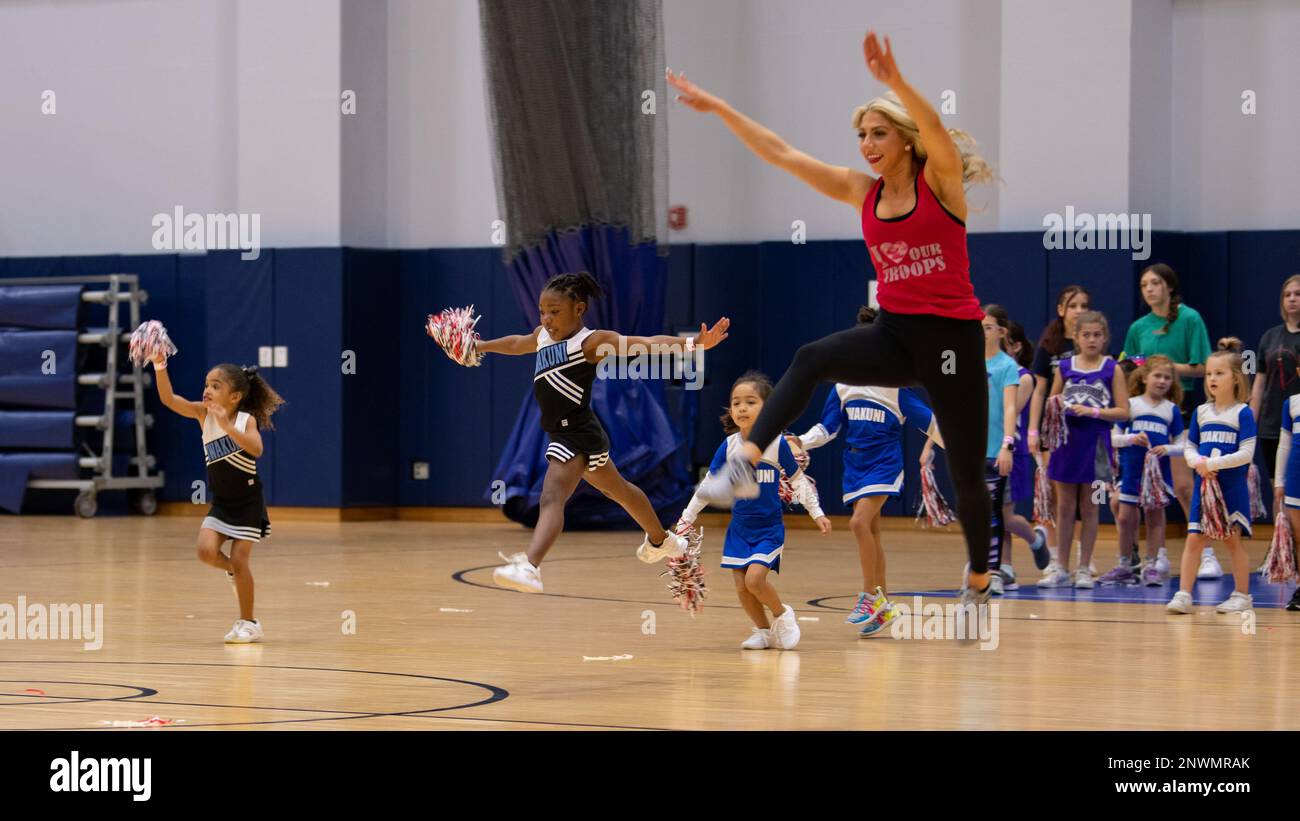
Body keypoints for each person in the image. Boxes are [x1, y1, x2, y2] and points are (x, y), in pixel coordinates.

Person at [670, 31, 998, 605]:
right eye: (861, 136)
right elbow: (781, 153)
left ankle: (978, 577)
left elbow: (939, 132)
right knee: (811, 358)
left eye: (878, 133)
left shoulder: (940, 185)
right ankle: (745, 460)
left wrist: (894, 80)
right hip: (895, 335)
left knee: (967, 469)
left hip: (952, 341)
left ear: (904, 140)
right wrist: (720, 107)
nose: (867, 144)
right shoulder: (859, 191)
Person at [467, 271, 731, 593]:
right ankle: (662, 540)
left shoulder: (591, 342)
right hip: (578, 434)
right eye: (542, 311)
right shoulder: (542, 337)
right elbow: (516, 344)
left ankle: (531, 566)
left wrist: (694, 344)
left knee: (552, 497)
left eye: (555, 312)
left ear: (578, 309)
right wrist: (478, 346)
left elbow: (645, 344)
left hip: (574, 435)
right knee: (618, 490)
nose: (547, 319)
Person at [797, 305, 941, 636]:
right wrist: (801, 442)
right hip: (855, 465)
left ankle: (868, 597)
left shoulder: (896, 388)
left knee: (859, 523)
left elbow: (930, 424)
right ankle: (885, 604)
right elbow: (829, 428)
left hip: (884, 464)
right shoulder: (842, 385)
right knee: (872, 532)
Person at [678, 372, 830, 650]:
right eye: (736, 403)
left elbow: (798, 481)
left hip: (769, 529)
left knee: (755, 580)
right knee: (741, 587)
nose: (741, 408)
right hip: (739, 529)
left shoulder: (776, 443)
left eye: (750, 402)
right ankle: (762, 631)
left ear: (768, 409)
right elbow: (708, 486)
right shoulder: (729, 446)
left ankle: (783, 615)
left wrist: (817, 512)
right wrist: (686, 519)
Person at [151, 351, 284, 643]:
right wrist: (159, 365)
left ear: (234, 397)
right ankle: (233, 572)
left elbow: (256, 449)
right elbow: (169, 400)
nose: (207, 390)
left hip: (248, 501)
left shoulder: (245, 420)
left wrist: (226, 427)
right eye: (206, 384)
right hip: (222, 503)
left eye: (215, 386)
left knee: (240, 557)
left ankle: (249, 622)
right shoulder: (202, 413)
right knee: (205, 552)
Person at [1039, 311, 1129, 588]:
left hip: (1097, 443)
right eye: (1086, 335)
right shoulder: (1064, 367)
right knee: (1064, 507)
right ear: (1076, 338)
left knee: (1090, 508)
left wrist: (1092, 410)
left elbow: (1123, 411)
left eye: (1097, 335)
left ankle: (1083, 569)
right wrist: (1057, 408)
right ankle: (1061, 568)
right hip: (1067, 442)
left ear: (1105, 338)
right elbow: (1050, 402)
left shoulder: (1111, 368)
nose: (1092, 340)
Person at [1167, 340, 1256, 615]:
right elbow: (1190, 446)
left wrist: (1214, 463)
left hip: (1231, 488)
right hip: (1204, 488)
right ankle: (1183, 593)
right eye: (1208, 374)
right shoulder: (1201, 412)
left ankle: (1242, 595)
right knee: (1194, 539)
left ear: (1236, 378)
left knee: (1231, 539)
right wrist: (1197, 463)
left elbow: (1247, 453)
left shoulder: (1243, 412)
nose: (1212, 379)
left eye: (1220, 373)